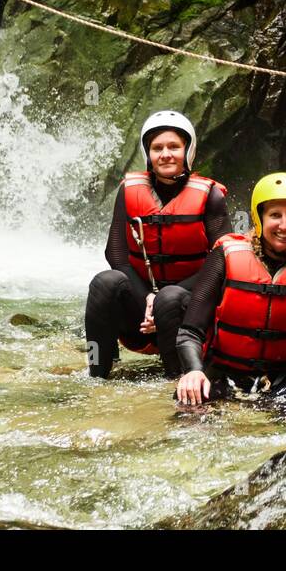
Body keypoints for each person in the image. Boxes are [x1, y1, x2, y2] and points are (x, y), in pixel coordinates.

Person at [84, 111, 229, 379]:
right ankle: (97, 374)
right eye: (157, 148)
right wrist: (148, 298)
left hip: (189, 309)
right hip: (142, 313)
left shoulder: (211, 196)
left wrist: (164, 297)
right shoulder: (128, 190)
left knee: (170, 298)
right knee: (104, 282)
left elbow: (223, 262)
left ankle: (180, 379)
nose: (165, 154)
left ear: (187, 150)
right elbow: (115, 252)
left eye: (174, 147)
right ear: (148, 153)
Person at [174, 172, 286, 405]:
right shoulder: (225, 256)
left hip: (284, 384)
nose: (284, 225)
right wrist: (194, 371)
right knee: (188, 403)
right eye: (275, 215)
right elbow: (190, 332)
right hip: (223, 377)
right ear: (259, 217)